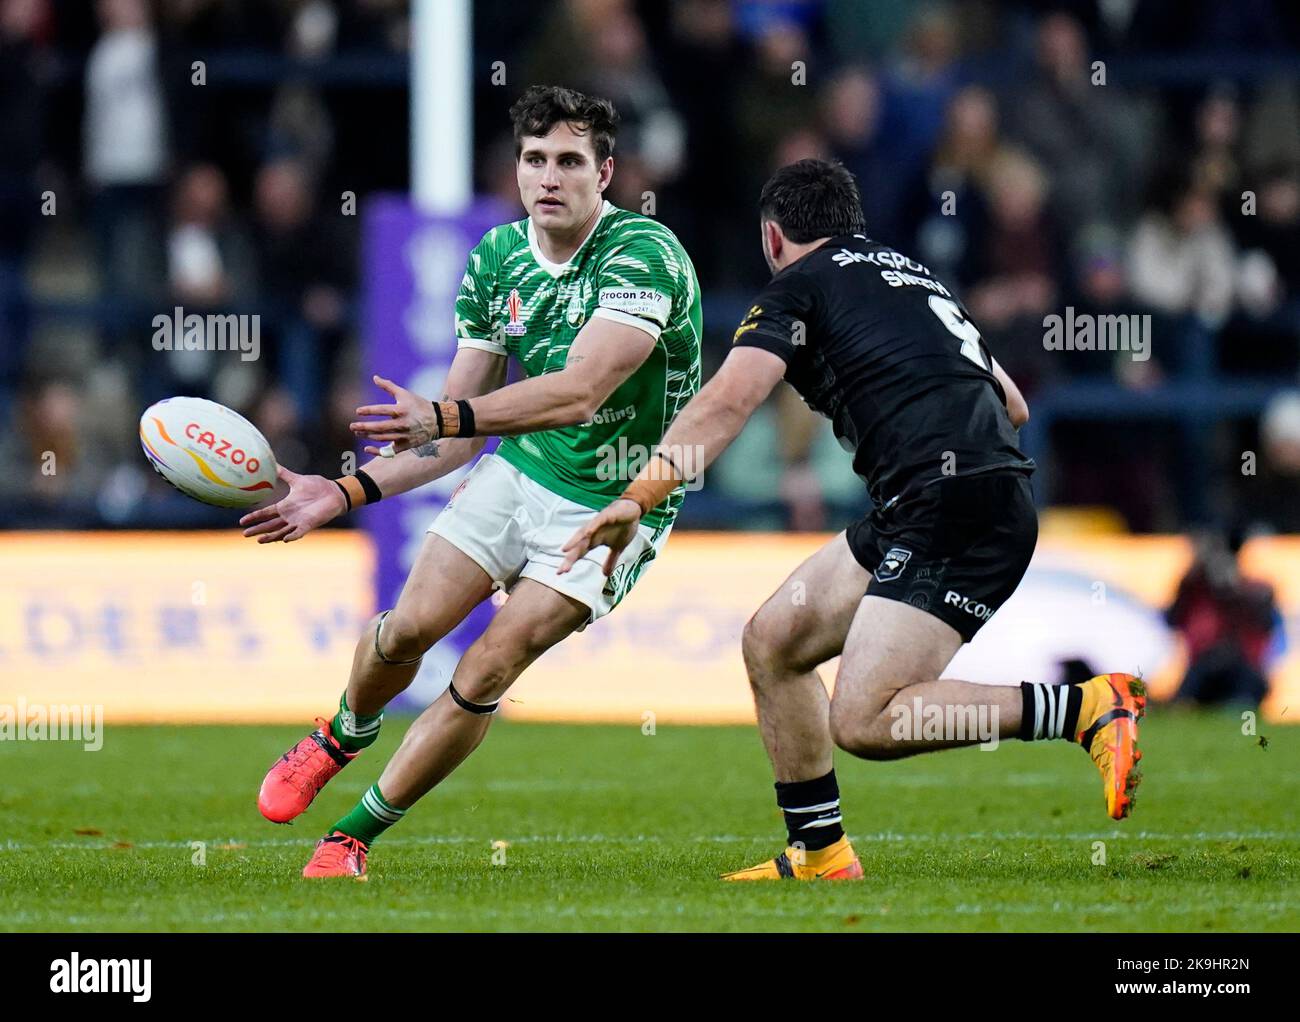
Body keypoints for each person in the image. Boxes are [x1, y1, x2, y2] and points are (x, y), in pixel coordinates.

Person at [561, 159, 1145, 881]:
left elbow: (727, 403)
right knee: (774, 643)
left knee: (866, 720)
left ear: (773, 237)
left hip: (945, 504)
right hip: (940, 496)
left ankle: (1082, 706)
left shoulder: (797, 287)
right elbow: (1015, 405)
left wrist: (634, 498)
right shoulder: (913, 275)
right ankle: (820, 853)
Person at [240, 85, 702, 879]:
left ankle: (352, 837)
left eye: (568, 161)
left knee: (488, 665)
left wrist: (449, 417)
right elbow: (454, 437)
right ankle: (344, 731)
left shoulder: (643, 255)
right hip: (523, 470)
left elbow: (578, 390)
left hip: (619, 504)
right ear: (516, 171)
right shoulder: (496, 259)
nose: (548, 177)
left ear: (606, 173)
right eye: (533, 160)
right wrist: (343, 493)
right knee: (407, 629)